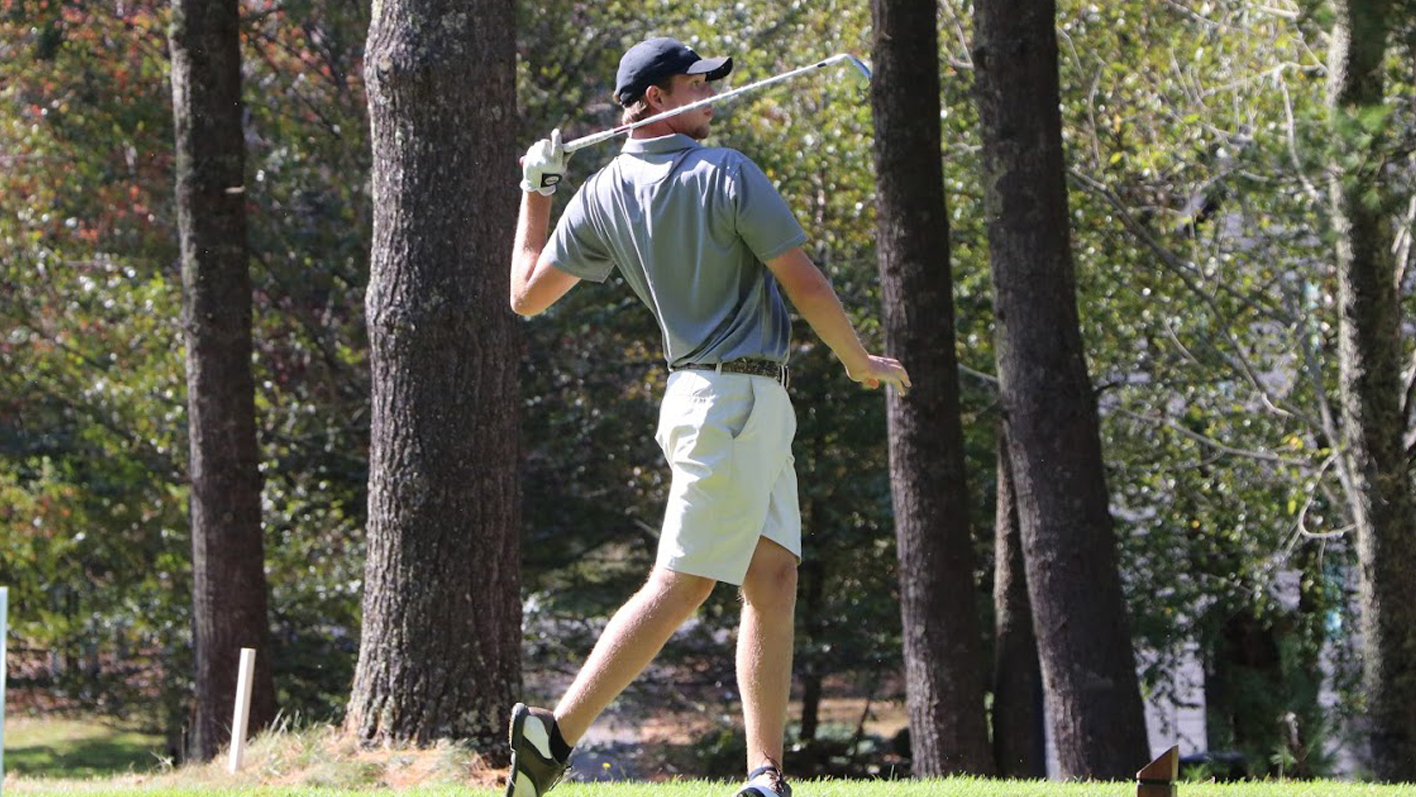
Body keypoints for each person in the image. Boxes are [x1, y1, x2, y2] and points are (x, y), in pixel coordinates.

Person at [505, 36, 910, 797]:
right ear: (655, 98)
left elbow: (525, 294)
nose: (711, 97)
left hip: (728, 403)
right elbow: (806, 283)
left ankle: (763, 774)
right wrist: (859, 360)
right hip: (734, 402)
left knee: (772, 574)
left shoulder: (594, 194)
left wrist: (536, 192)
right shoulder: (728, 172)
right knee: (683, 583)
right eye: (698, 85)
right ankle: (553, 735)